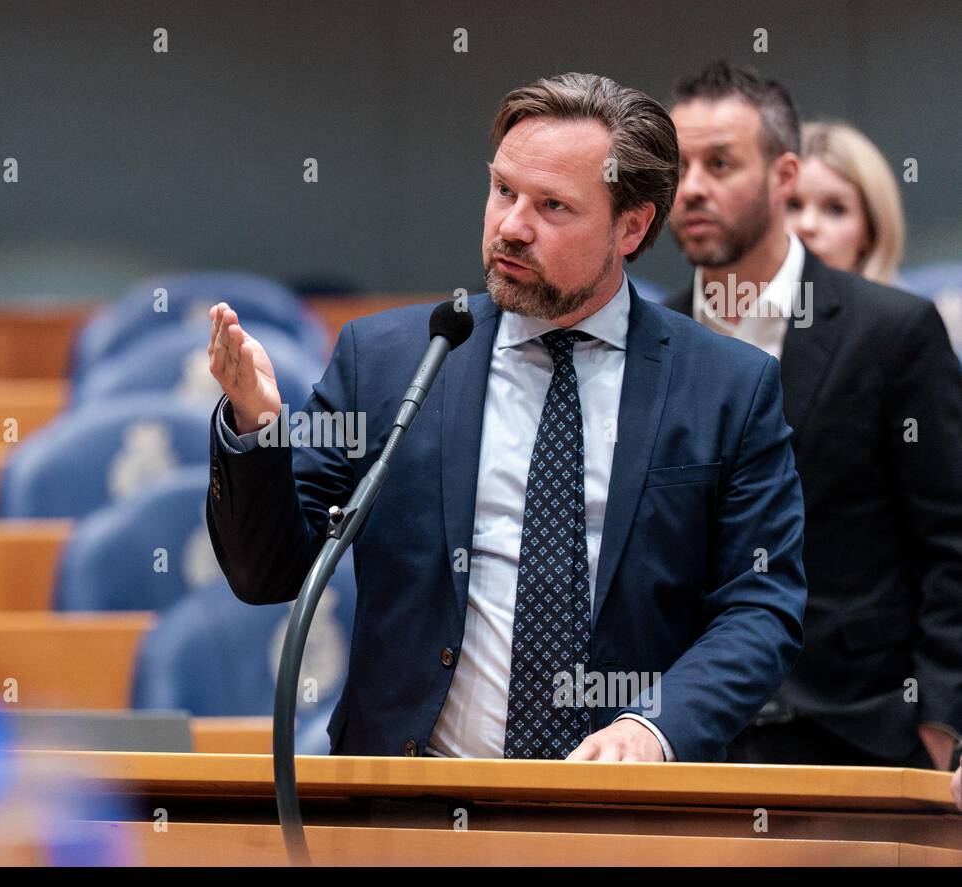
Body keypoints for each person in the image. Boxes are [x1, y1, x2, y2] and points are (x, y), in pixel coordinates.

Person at [204, 72, 806, 762]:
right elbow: (267, 574)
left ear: (631, 226)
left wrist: (654, 728)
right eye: (503, 191)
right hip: (411, 811)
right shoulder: (390, 360)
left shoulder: (727, 386)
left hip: (625, 815)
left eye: (553, 206)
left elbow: (760, 609)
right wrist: (258, 427)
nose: (512, 227)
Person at [665, 61, 962, 771]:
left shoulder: (893, 330)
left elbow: (950, 537)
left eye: (720, 163)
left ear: (784, 174)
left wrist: (943, 717)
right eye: (677, 166)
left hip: (858, 729)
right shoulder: (653, 337)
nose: (692, 187)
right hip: (684, 733)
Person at [786, 121, 904, 284]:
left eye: (835, 209)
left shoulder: (906, 309)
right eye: (791, 205)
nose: (807, 225)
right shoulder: (742, 301)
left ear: (870, 232)